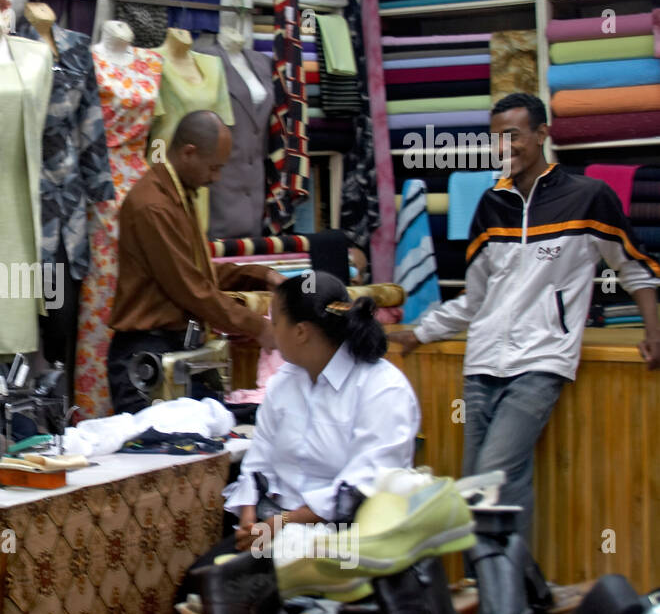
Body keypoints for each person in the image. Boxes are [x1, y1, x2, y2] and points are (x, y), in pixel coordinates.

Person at [389, 92, 660, 543]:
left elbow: (635, 269)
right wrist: (421, 331)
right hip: (480, 365)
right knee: (485, 485)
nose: (504, 147)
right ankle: (517, 594)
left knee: (489, 478)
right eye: (495, 138)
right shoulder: (491, 206)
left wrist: (655, 332)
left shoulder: (588, 197)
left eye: (513, 135)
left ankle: (502, 603)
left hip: (540, 362)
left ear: (542, 133)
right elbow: (475, 300)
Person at [224, 272, 421, 550]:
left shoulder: (383, 388)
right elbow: (259, 460)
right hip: (275, 529)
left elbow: (360, 487)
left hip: (347, 537)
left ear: (301, 332)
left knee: (243, 587)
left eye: (277, 323)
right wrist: (249, 520)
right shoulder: (284, 382)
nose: (272, 332)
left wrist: (283, 523)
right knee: (205, 580)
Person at [107, 110, 284, 414]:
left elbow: (198, 272)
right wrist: (260, 328)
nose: (215, 178)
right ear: (189, 153)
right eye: (213, 168)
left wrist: (260, 276)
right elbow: (191, 289)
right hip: (149, 357)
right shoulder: (154, 205)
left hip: (177, 350)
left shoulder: (179, 196)